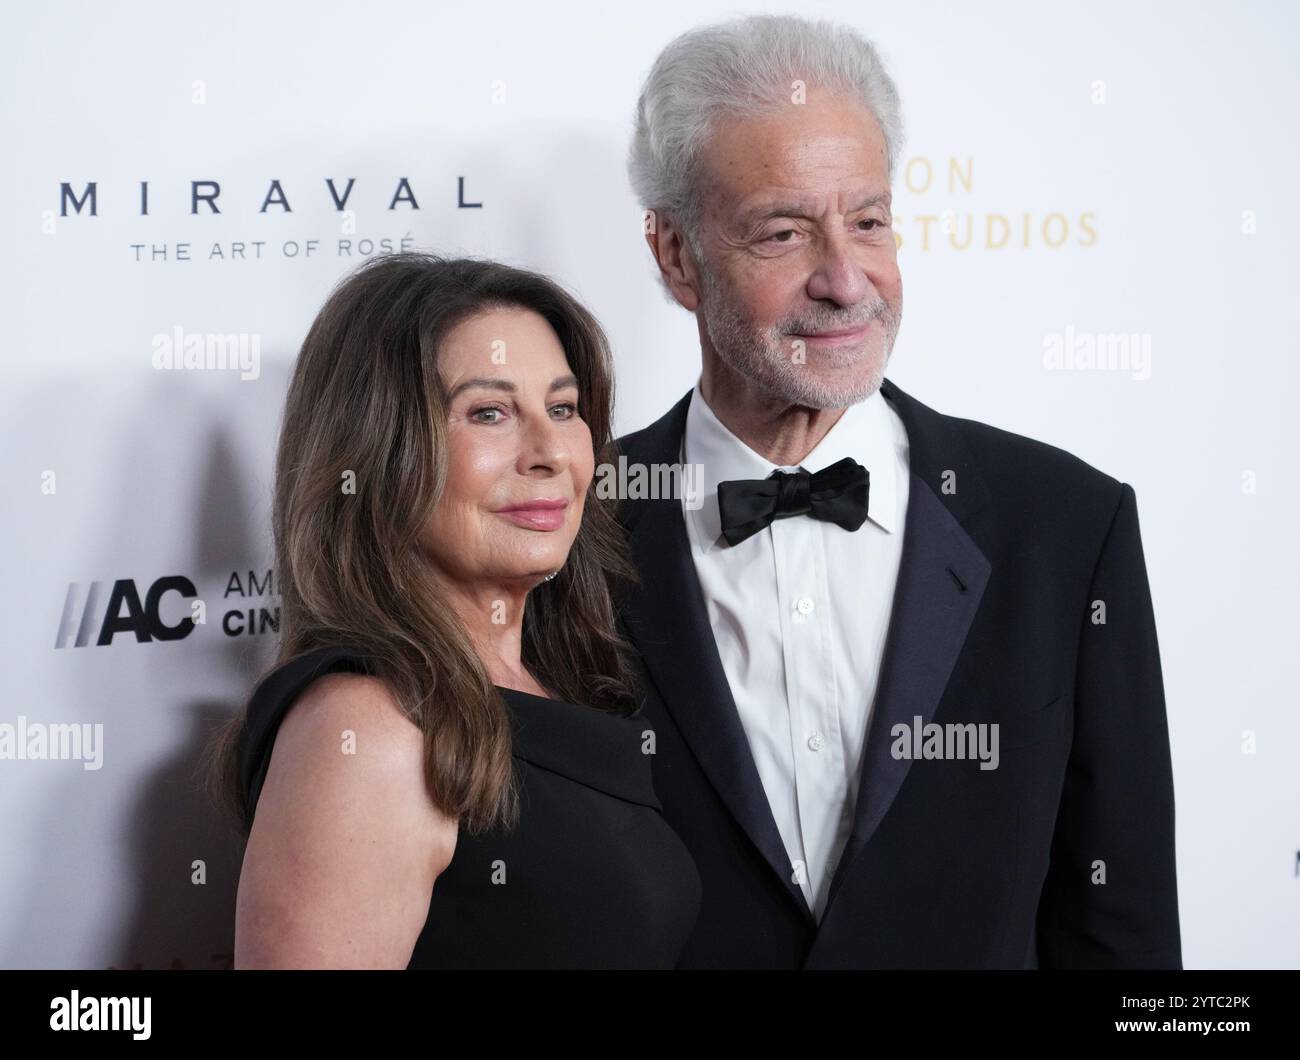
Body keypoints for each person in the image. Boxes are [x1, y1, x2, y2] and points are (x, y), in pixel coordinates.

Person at [616, 14, 1181, 968]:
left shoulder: (1065, 525)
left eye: (868, 221)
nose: (846, 280)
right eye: (784, 232)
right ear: (676, 256)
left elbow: (1121, 932)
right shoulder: (568, 533)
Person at [206, 253, 701, 968]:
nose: (549, 452)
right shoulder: (364, 728)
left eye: (563, 409)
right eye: (489, 412)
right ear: (379, 453)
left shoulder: (560, 681)